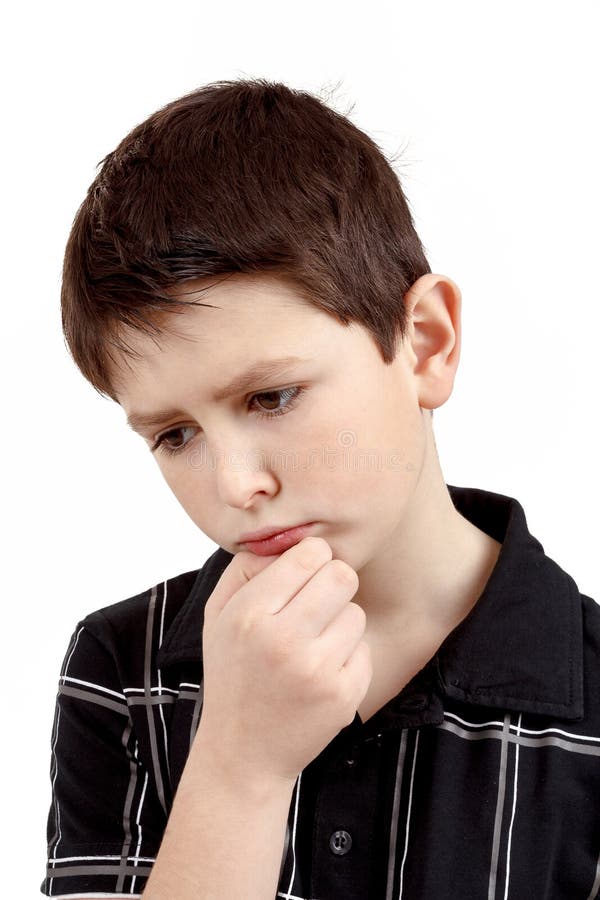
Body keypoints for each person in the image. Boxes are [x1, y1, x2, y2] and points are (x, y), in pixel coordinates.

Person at [41, 78, 600, 900]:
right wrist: (237, 768)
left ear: (426, 344)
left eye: (271, 397)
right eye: (174, 434)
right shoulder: (124, 673)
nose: (237, 486)